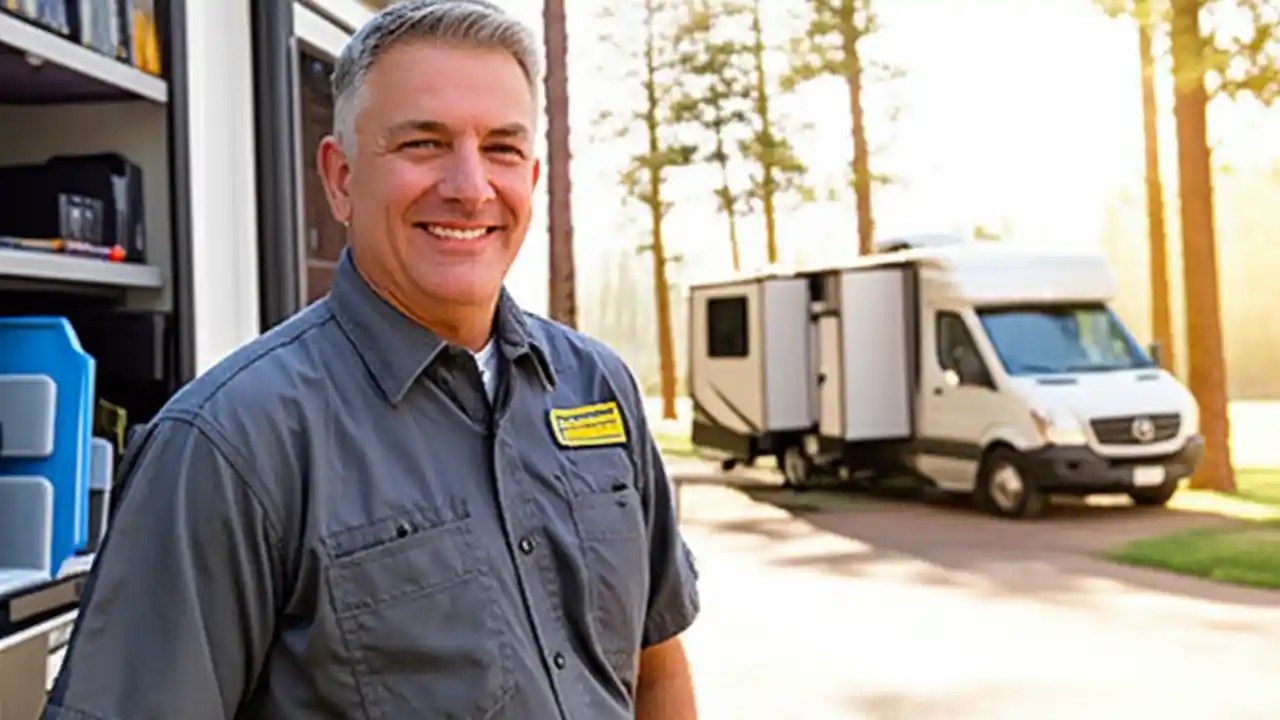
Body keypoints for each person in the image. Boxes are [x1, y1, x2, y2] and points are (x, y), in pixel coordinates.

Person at [41, 1, 700, 718]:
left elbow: (655, 669)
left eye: (502, 148)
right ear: (341, 177)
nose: (470, 186)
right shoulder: (230, 446)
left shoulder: (596, 387)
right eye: (423, 143)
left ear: (532, 179)